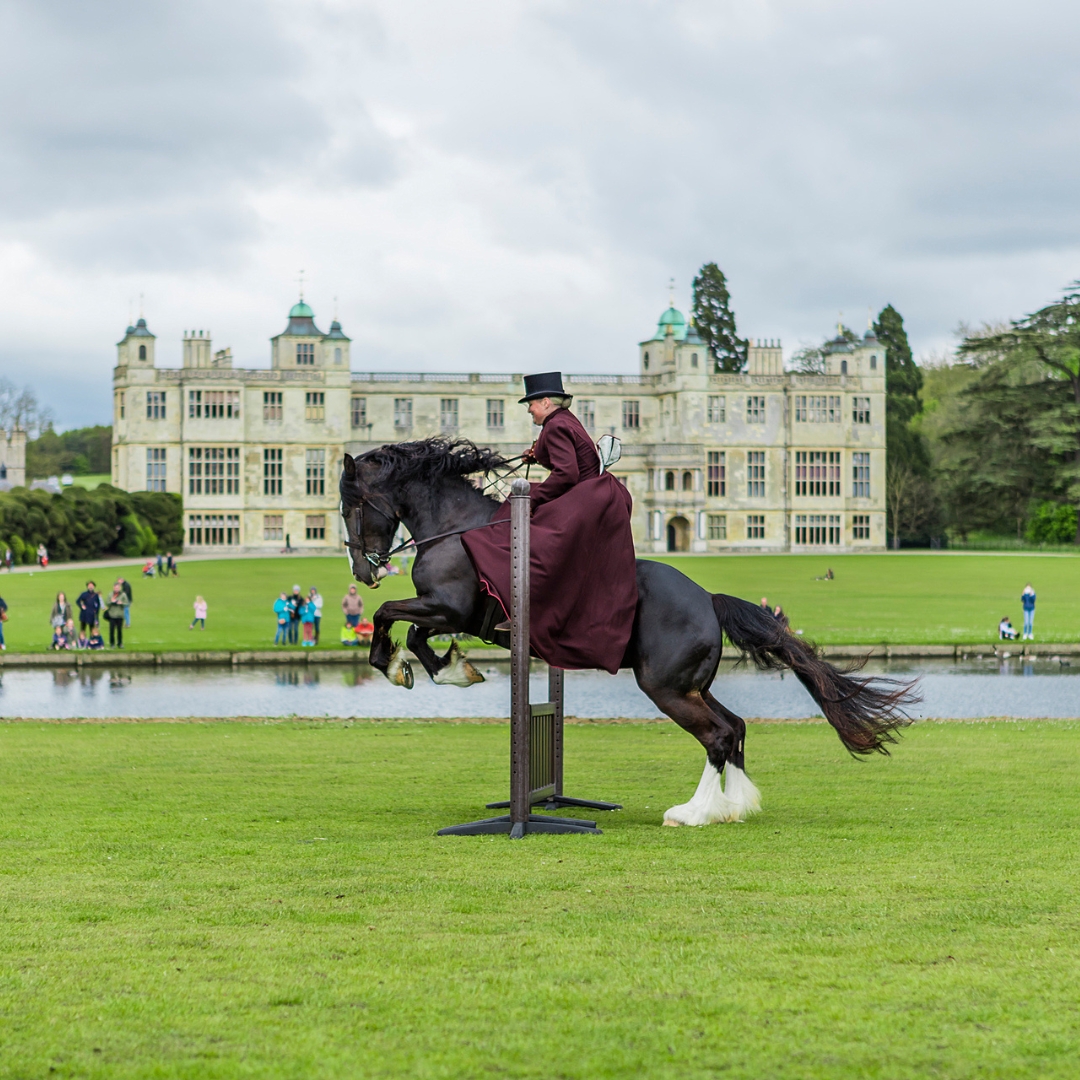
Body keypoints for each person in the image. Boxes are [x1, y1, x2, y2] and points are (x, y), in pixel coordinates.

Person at [462, 371, 637, 672]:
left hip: (589, 498)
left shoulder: (555, 426)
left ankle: (522, 609)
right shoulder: (563, 421)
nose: (528, 409)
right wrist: (537, 455)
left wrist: (533, 500)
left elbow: (567, 474)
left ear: (545, 401)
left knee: (518, 528)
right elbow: (573, 459)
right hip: (598, 495)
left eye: (531, 403)